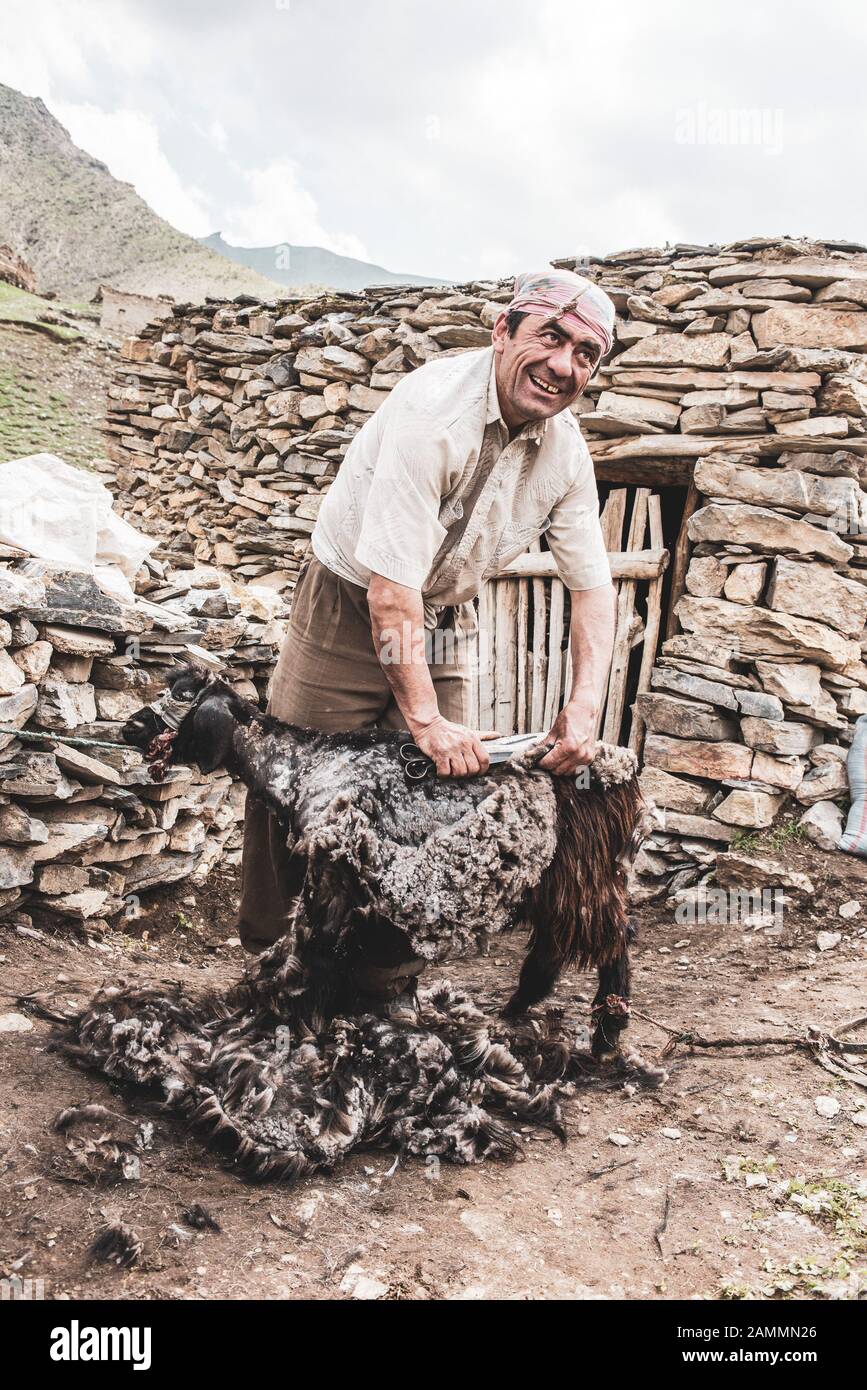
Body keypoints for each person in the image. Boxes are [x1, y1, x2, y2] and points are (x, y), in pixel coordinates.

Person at [237, 267, 617, 952]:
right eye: (550, 337)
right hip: (348, 605)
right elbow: (389, 592)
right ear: (502, 332)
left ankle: (383, 973)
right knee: (294, 784)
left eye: (585, 354)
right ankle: (271, 960)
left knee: (443, 794)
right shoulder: (432, 413)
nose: (563, 365)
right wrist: (423, 719)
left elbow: (592, 587)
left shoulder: (566, 454)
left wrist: (586, 707)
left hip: (443, 614)